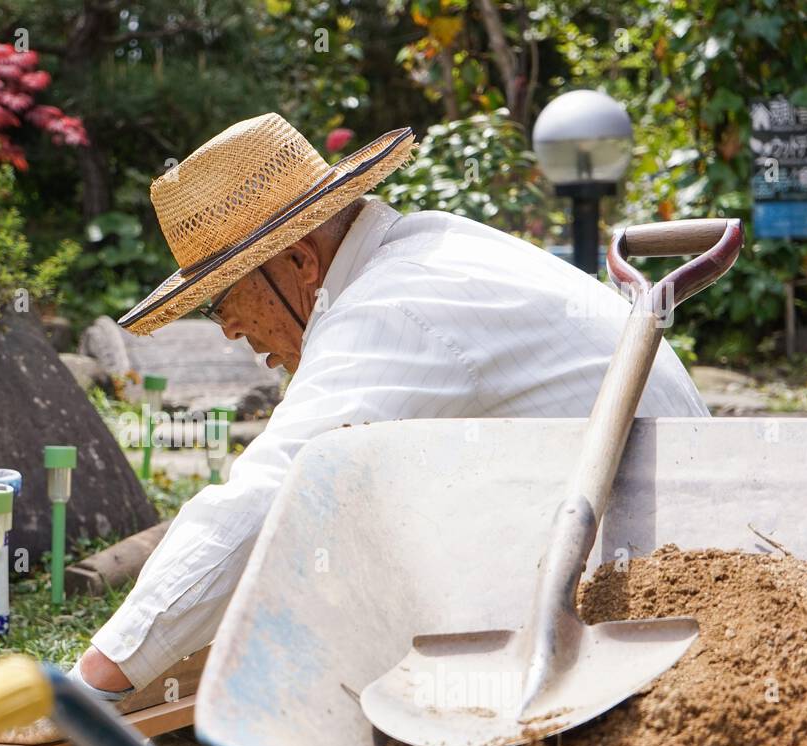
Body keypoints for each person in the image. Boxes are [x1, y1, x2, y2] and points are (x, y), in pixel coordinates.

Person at [68, 112, 707, 707]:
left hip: (664, 589)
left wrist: (100, 677)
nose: (230, 330)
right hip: (645, 546)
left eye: (222, 300)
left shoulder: (388, 310)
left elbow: (277, 492)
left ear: (298, 261)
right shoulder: (424, 250)